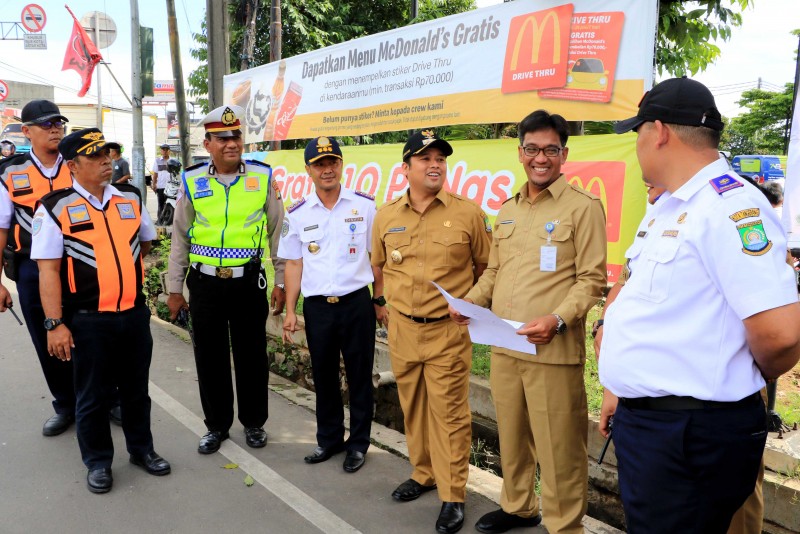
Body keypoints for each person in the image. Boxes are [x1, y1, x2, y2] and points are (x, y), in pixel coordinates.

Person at [599, 77, 800, 534]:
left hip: (689, 436)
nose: (636, 144)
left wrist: (739, 375)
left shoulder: (730, 208)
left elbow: (781, 336)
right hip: (653, 426)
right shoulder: (669, 206)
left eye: (637, 132)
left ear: (660, 132)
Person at [451, 110, 607, 534]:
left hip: (551, 351)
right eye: (533, 149)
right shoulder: (507, 210)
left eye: (550, 150)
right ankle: (519, 507)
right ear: (520, 152)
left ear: (564, 154)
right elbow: (494, 274)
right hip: (505, 345)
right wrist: (469, 302)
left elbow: (592, 279)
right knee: (513, 437)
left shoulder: (583, 207)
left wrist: (557, 319)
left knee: (559, 449)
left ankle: (564, 526)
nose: (541, 158)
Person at [31, 128, 169, 494]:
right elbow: (48, 271)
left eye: (108, 154)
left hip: (133, 315)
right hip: (88, 321)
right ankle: (98, 462)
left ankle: (142, 450)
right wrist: (54, 323)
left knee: (137, 391)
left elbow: (147, 241)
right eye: (96, 157)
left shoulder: (130, 199)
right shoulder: (54, 207)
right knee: (91, 396)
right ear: (73, 166)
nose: (107, 161)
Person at [371, 129, 492, 534]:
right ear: (406, 168)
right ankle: (424, 473)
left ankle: (453, 494)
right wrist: (384, 305)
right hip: (403, 327)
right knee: (414, 404)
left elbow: (486, 268)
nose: (435, 164)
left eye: (440, 157)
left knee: (451, 414)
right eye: (425, 158)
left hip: (448, 331)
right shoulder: (386, 215)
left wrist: (472, 305)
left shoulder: (468, 214)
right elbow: (379, 265)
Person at [166, 104, 286, 454]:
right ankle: (216, 426)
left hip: (248, 282)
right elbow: (180, 237)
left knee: (252, 355)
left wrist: (281, 281)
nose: (231, 143)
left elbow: (279, 232)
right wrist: (174, 289)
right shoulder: (192, 179)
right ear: (208, 144)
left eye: (236, 136)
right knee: (210, 356)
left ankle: (254, 424)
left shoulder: (262, 177)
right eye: (222, 138)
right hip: (205, 284)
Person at [279, 136, 388, 473]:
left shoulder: (364, 206)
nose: (327, 169)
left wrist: (379, 298)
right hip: (318, 307)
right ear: (309, 170)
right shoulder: (297, 213)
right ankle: (328, 440)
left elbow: (378, 258)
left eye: (332, 162)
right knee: (323, 376)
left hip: (356, 303)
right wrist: (290, 310)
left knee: (359, 376)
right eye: (319, 164)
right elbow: (294, 263)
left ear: (341, 165)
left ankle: (358, 444)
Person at [0, 100, 76, 436]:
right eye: (45, 124)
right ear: (26, 131)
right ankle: (66, 404)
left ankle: (108, 398)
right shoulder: (10, 172)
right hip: (32, 270)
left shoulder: (78, 163)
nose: (55, 128)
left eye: (58, 122)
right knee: (48, 337)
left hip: (81, 265)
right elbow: (2, 228)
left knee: (93, 334)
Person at [151, 143, 171, 219]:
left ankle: (168, 219)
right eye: (163, 150)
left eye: (167, 150)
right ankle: (160, 219)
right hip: (161, 186)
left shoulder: (173, 161)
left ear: (169, 151)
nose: (165, 151)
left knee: (169, 204)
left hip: (170, 187)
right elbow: (155, 174)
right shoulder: (157, 161)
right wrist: (154, 184)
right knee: (161, 204)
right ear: (161, 151)